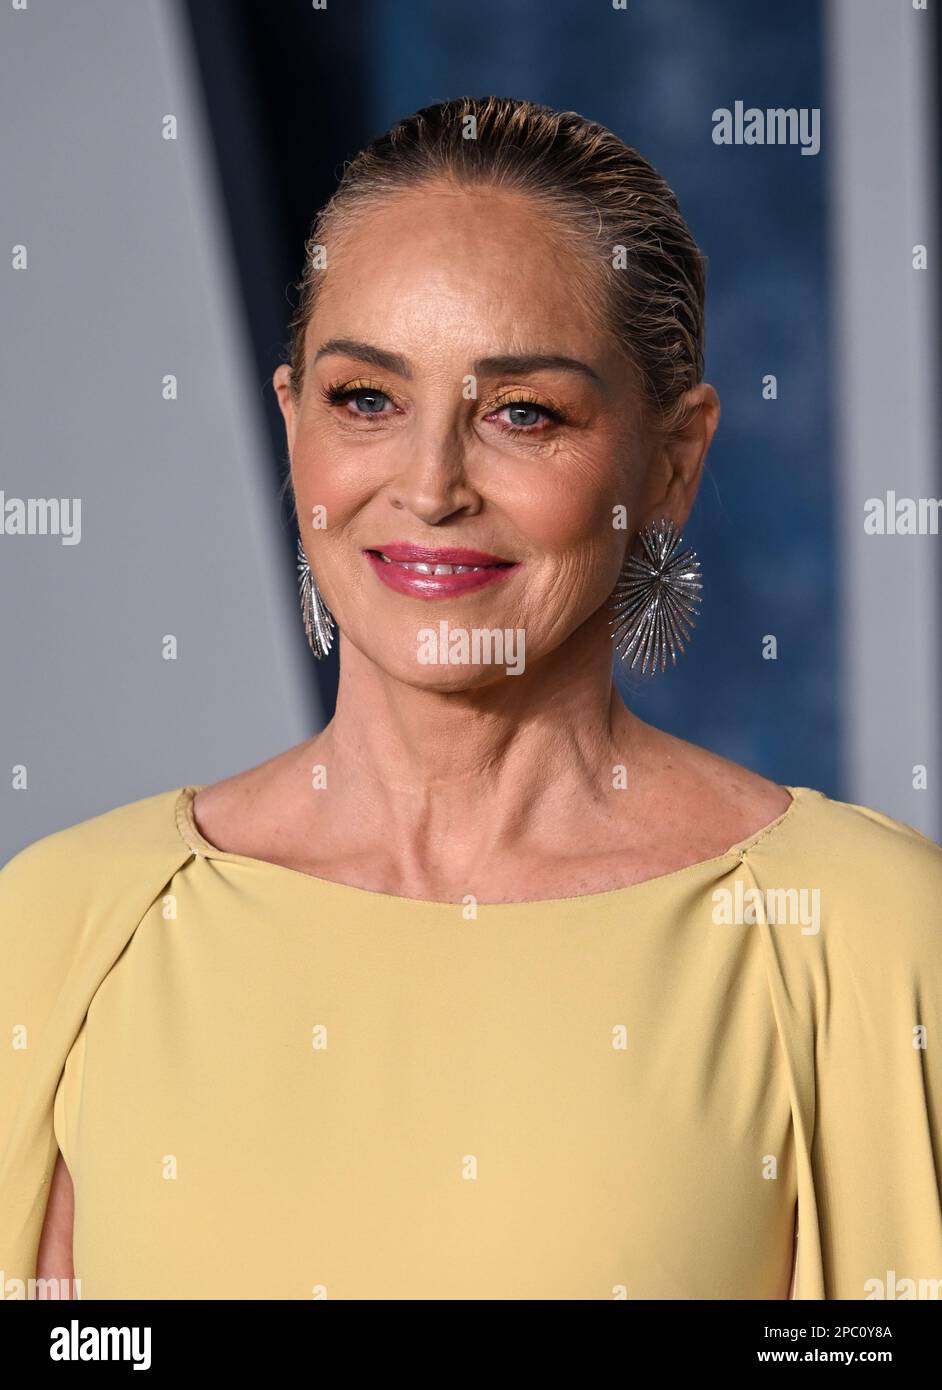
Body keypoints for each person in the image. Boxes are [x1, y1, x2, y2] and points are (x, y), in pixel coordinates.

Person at [2, 96, 941, 1301]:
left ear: (671, 461)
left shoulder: (855, 932)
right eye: (366, 400)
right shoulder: (67, 929)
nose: (432, 484)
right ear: (291, 427)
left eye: (523, 413)